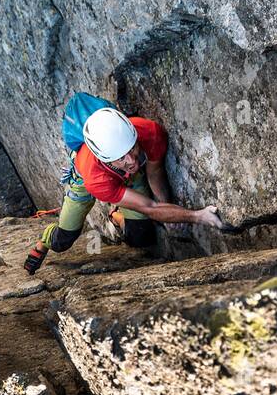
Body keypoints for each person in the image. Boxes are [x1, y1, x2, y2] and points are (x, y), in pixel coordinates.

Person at [24, 106, 224, 273]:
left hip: (126, 178)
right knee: (63, 241)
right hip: (85, 180)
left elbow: (155, 173)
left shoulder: (149, 132)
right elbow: (150, 207)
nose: (132, 160)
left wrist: (169, 210)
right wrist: (199, 216)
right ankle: (45, 240)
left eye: (132, 149)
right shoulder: (96, 179)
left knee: (141, 237)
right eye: (121, 157)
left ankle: (116, 216)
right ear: (105, 158)